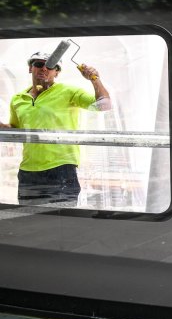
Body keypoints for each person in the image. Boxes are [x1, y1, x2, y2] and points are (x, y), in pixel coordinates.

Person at [0, 51, 111, 205]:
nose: (44, 68)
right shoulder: (18, 99)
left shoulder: (69, 92)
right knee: (28, 224)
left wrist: (94, 79)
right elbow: (14, 130)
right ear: (30, 68)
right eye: (38, 64)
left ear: (57, 72)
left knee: (61, 224)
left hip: (61, 169)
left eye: (51, 66)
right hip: (28, 171)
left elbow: (104, 106)